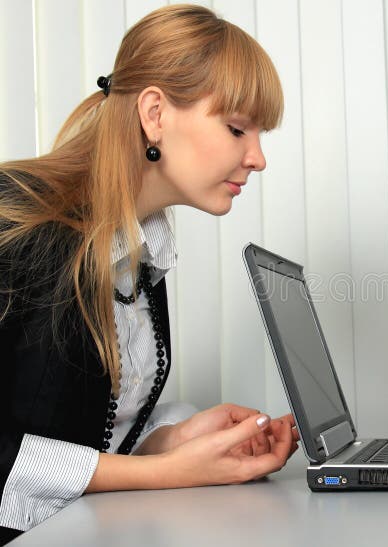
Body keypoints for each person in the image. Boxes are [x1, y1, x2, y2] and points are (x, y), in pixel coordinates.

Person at [0, 5, 299, 543]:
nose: (257, 157)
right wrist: (168, 473)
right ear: (155, 113)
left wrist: (180, 439)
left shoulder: (141, 247)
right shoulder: (18, 222)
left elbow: (79, 434)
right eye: (237, 128)